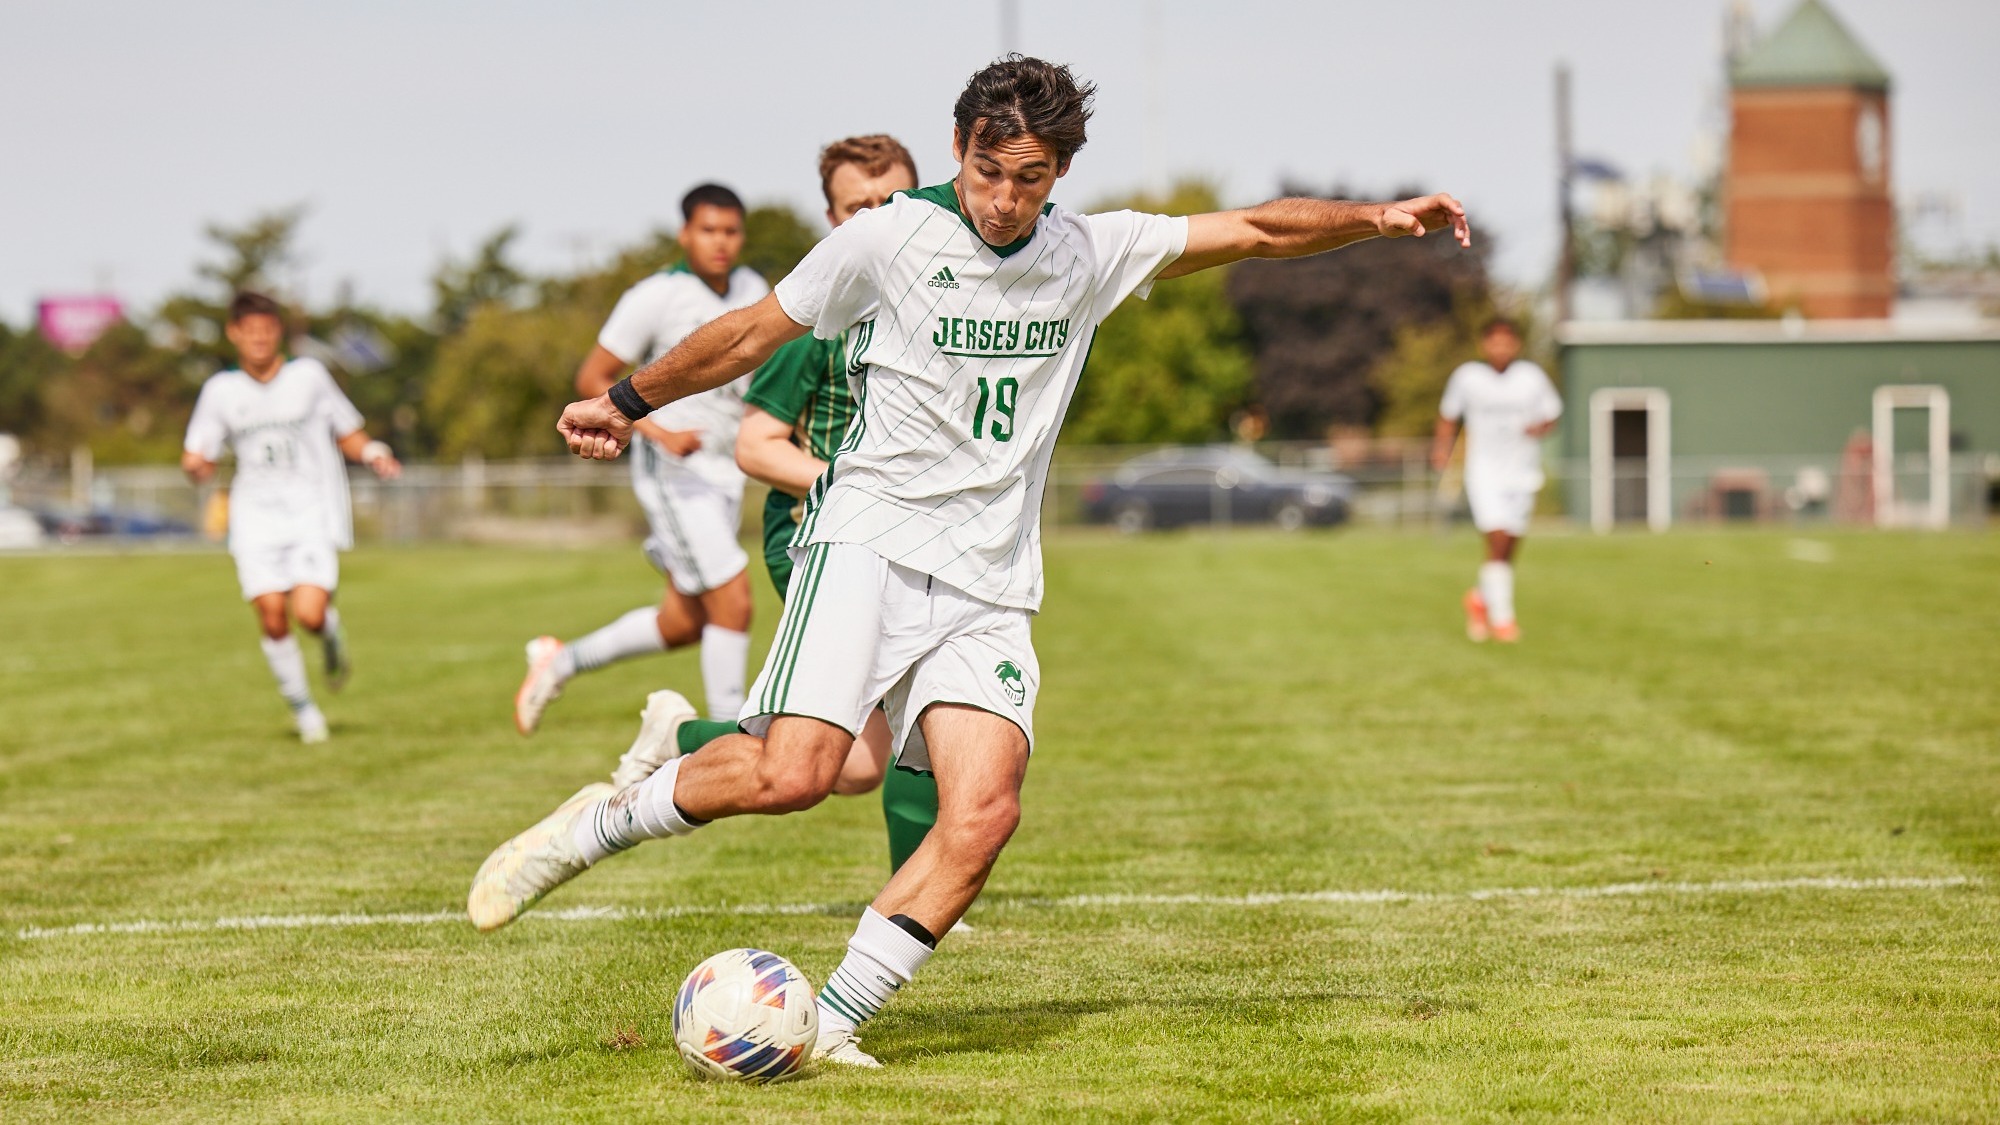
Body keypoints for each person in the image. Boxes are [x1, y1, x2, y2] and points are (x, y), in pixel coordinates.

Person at [471, 55, 1471, 1068]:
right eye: (988, 170)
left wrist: (1378, 218)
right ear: (958, 150)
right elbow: (743, 336)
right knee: (796, 774)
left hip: (988, 581)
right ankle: (591, 827)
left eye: (1028, 178)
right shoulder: (887, 236)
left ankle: (831, 1026)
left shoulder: (1088, 252)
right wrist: (626, 402)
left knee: (984, 812)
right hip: (865, 539)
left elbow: (1253, 230)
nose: (1002, 198)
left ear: (1059, 174)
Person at [618, 135, 942, 872]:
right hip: (813, 536)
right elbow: (758, 447)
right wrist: (855, 481)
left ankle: (680, 735)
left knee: (854, 766)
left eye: (891, 202)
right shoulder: (820, 319)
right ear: (832, 220)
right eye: (857, 207)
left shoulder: (937, 309)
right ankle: (920, 898)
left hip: (900, 536)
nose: (876, 218)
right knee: (913, 699)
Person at [514, 184, 767, 734]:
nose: (720, 242)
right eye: (708, 230)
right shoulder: (655, 295)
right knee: (734, 598)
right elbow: (593, 378)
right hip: (673, 473)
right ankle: (732, 737)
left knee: (682, 624)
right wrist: (658, 433)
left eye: (730, 231)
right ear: (685, 234)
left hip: (726, 471)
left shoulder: (753, 288)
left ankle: (560, 660)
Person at [181, 291, 401, 743]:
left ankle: (329, 631)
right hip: (255, 518)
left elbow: (348, 432)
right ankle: (305, 712)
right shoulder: (221, 391)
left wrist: (375, 452)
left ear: (277, 332)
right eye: (250, 332)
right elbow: (197, 454)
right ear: (234, 334)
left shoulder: (309, 377)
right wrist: (195, 467)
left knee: (309, 614)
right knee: (272, 616)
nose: (259, 340)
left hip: (309, 513)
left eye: (267, 330)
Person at [1431, 317, 1561, 643]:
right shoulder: (1467, 377)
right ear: (1484, 344)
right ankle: (1503, 619)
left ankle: (1479, 599)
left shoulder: (1531, 377)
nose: (1500, 348)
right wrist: (1441, 450)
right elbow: (1448, 416)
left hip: (1522, 472)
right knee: (1497, 536)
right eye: (1494, 341)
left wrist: (1539, 429)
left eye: (1507, 341)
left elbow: (1551, 415)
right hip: (1483, 471)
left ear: (1516, 345)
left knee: (1507, 548)